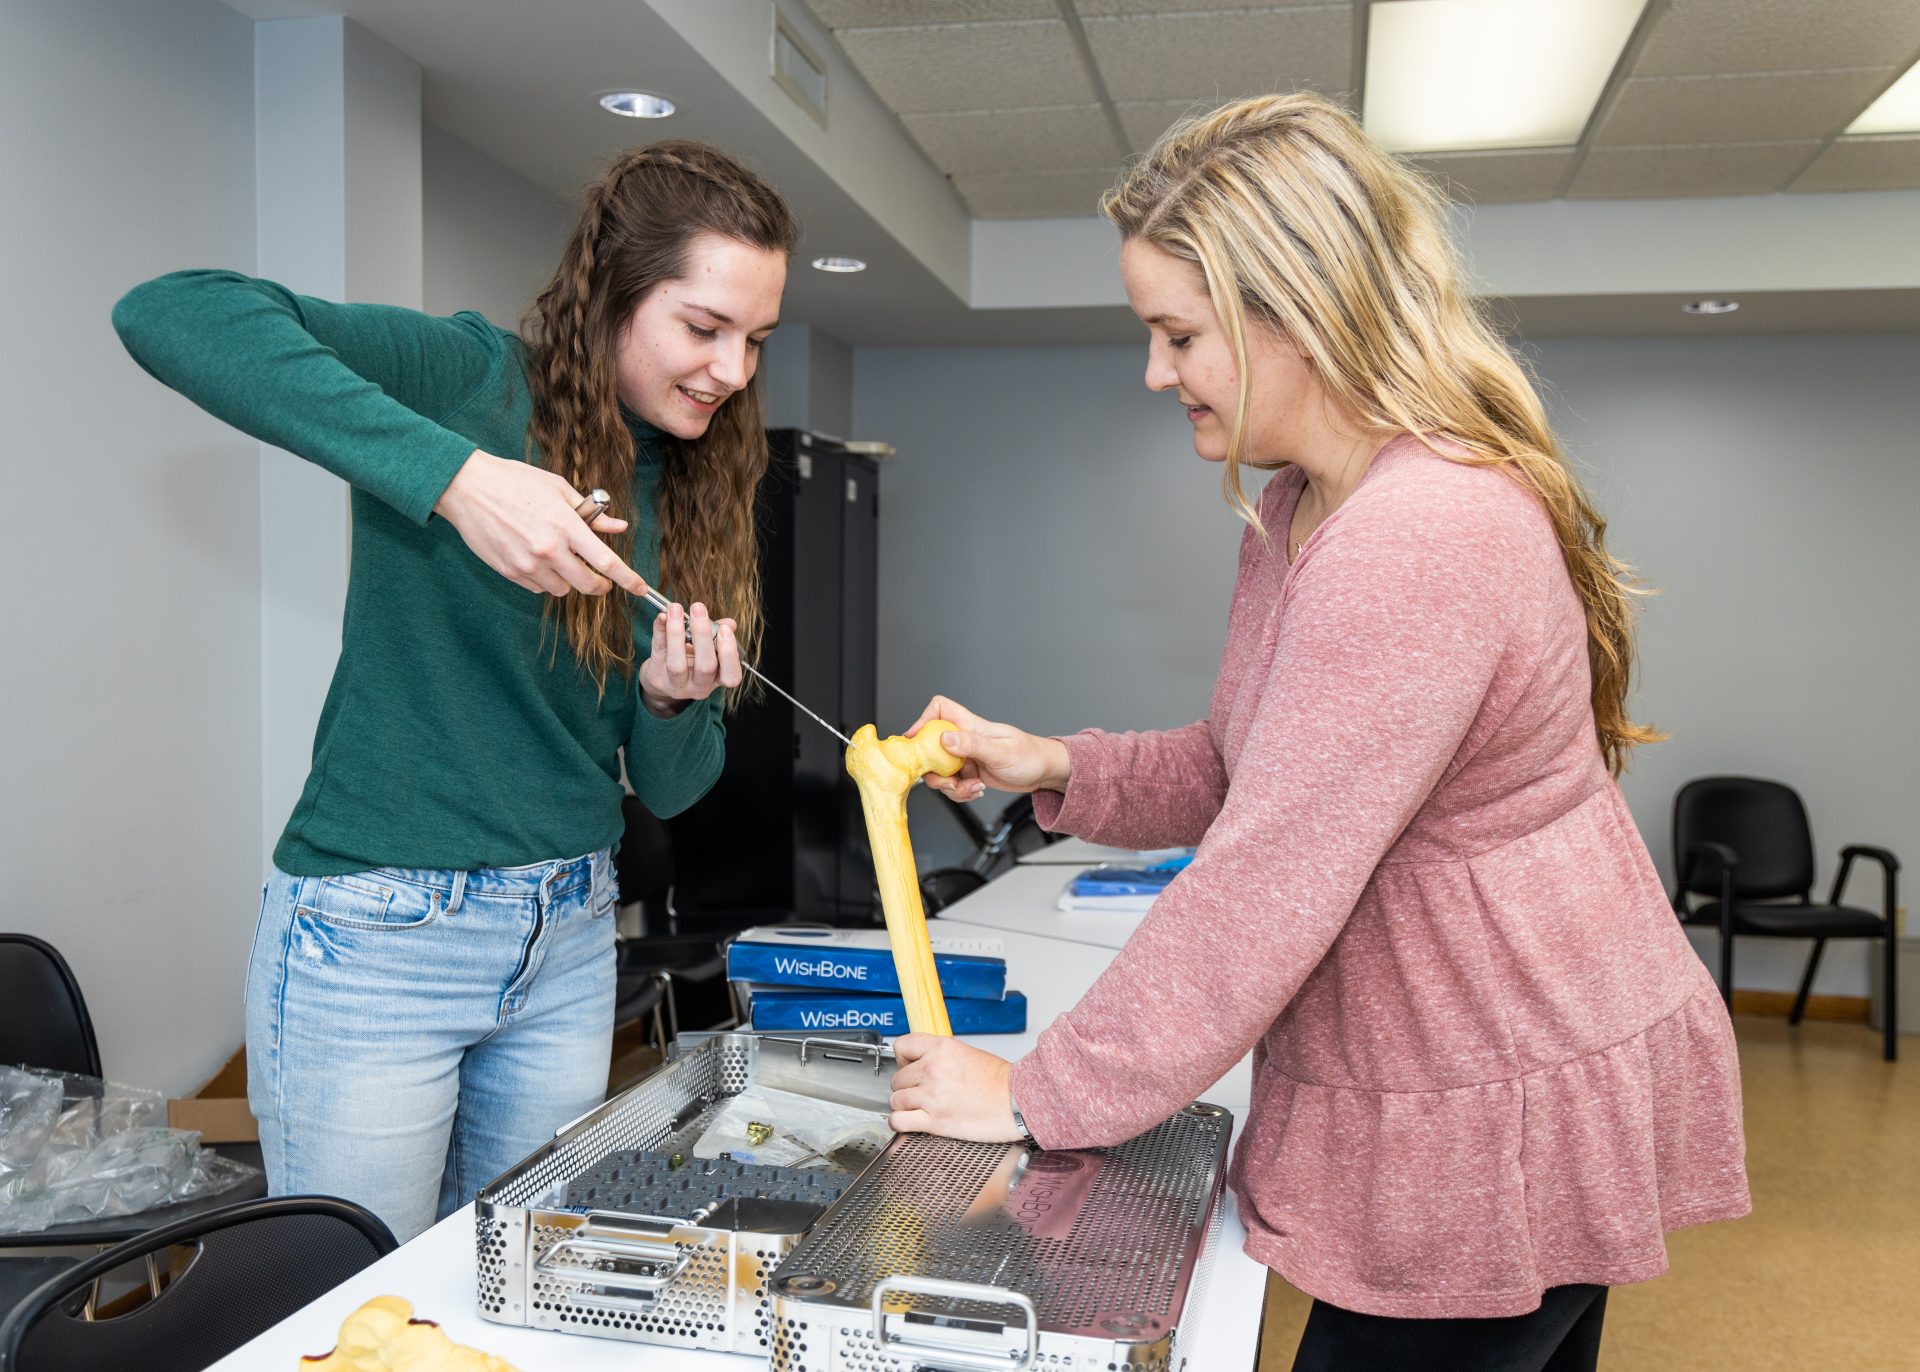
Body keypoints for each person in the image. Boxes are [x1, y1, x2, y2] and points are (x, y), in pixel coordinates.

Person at [885, 94, 1749, 1370]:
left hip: (1493, 1090)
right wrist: (1057, 764)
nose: (1154, 370)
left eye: (1179, 334)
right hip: (1492, 1061)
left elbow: (1268, 879)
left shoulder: (1415, 535)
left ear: (1300, 312)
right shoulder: (1303, 509)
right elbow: (1258, 768)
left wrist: (1034, 1094)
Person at [112, 140, 795, 1242]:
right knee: (356, 1306)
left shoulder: (699, 482)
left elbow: (669, 790)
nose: (732, 370)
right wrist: (459, 481)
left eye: (755, 339)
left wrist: (669, 701)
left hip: (569, 934)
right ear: (611, 294)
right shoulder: (466, 379)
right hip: (381, 935)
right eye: (703, 327)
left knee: (512, 1288)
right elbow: (173, 312)